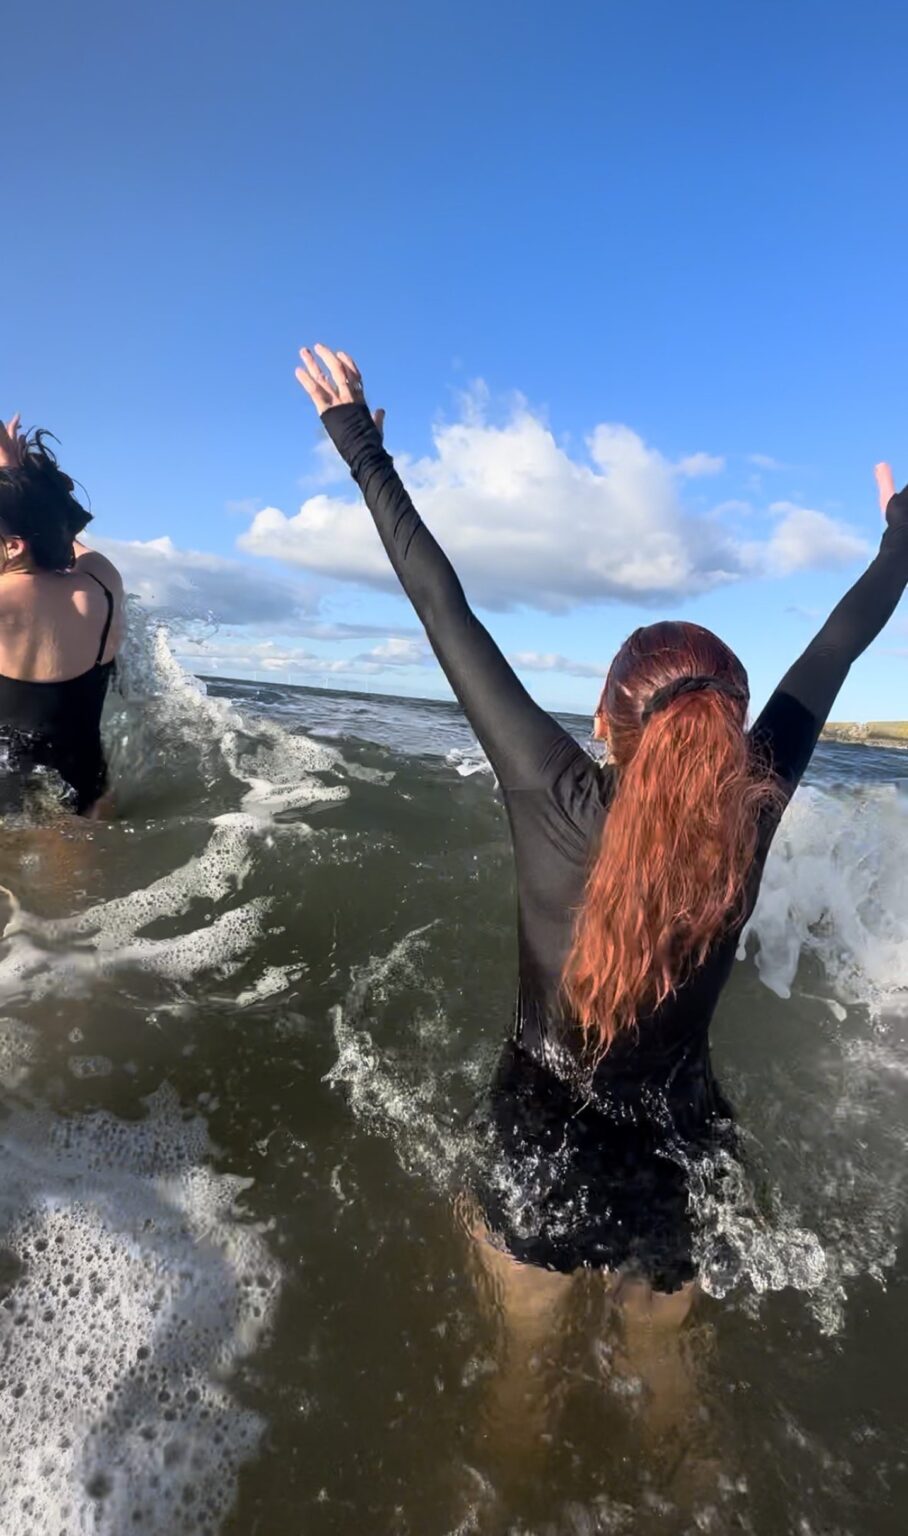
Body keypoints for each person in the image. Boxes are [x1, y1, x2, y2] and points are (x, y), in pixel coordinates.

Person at [296, 346, 907, 1311]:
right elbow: (842, 639)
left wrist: (361, 444)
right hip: (679, 1148)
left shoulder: (554, 796)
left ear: (602, 726)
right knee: (673, 1400)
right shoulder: (756, 801)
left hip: (541, 1138)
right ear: (735, 734)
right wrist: (902, 538)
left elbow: (439, 603)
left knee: (516, 1401)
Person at [0, 415, 123, 816]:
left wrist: (12, 474)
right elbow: (64, 533)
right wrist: (20, 483)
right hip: (92, 799)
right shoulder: (102, 581)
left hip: (15, 808)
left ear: (15, 547)